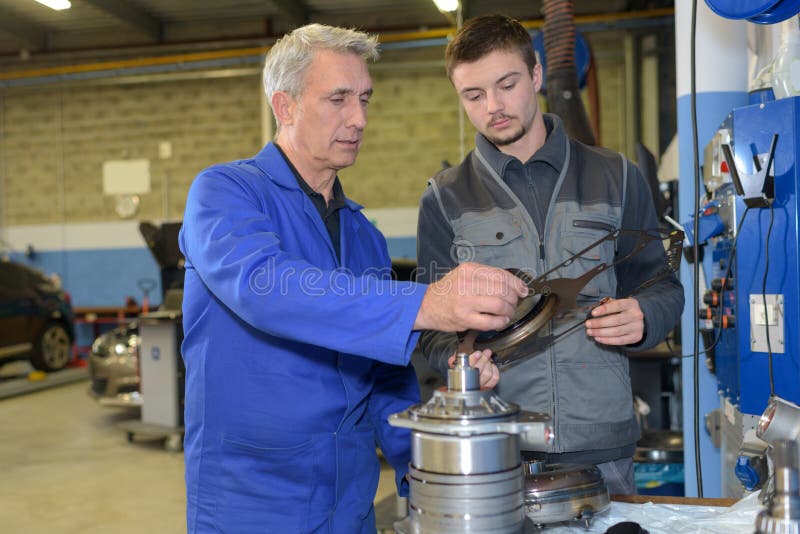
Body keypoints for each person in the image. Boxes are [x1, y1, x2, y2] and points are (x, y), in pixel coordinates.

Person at [178, 23, 527, 533]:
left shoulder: (363, 236)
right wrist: (426, 303)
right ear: (285, 106)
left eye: (364, 98)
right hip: (250, 502)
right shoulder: (226, 193)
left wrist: (436, 482)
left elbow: (385, 381)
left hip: (351, 505)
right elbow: (267, 286)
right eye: (338, 99)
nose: (359, 118)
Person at [416, 14, 684, 495]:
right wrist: (462, 359)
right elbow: (429, 326)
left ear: (536, 75)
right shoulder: (444, 197)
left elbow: (661, 284)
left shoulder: (616, 176)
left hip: (604, 449)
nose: (493, 106)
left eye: (507, 84)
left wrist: (645, 315)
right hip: (497, 449)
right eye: (473, 95)